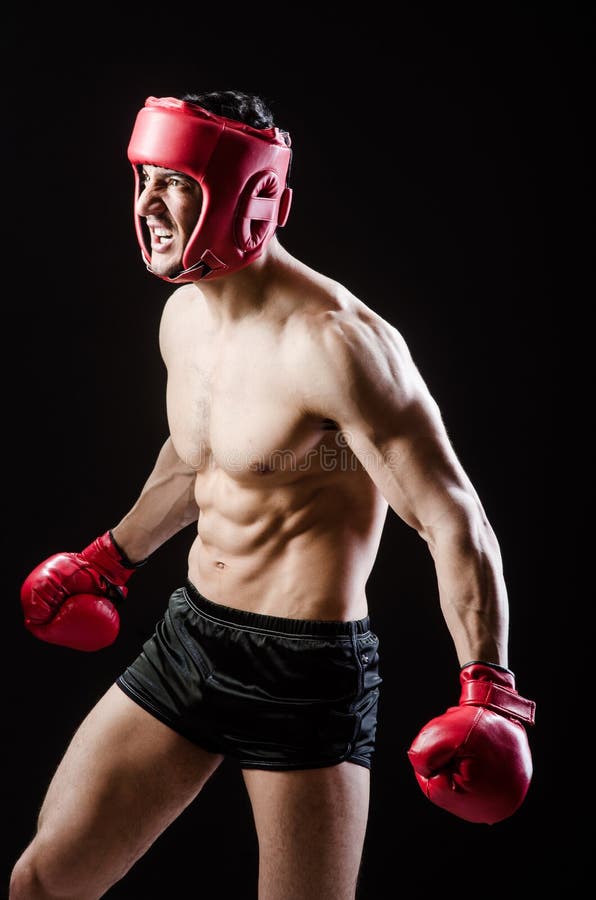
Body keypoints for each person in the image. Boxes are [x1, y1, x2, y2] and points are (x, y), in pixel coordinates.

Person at [10, 90, 536, 900]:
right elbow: (196, 462)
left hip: (307, 675)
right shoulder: (183, 318)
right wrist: (109, 558)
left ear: (252, 197)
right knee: (44, 882)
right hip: (190, 638)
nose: (148, 205)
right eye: (142, 178)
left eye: (176, 182)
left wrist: (490, 693)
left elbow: (451, 518)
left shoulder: (340, 345)